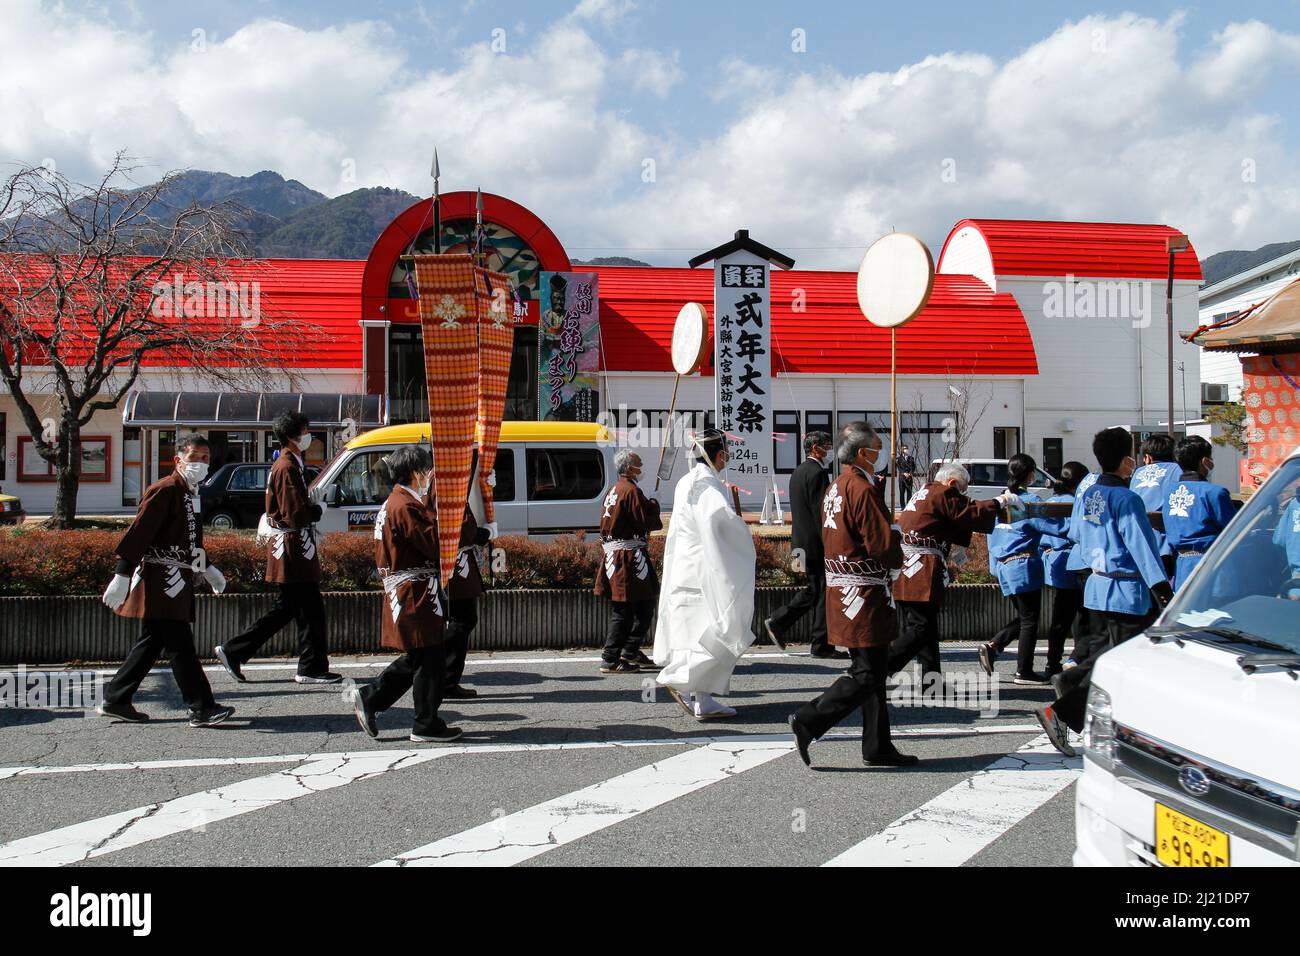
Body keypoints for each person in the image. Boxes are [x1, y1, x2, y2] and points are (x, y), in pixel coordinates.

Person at [1035, 427, 1172, 756]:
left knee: (1106, 651)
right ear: (1128, 459)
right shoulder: (1127, 498)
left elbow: (1078, 533)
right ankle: (1064, 711)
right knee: (1125, 657)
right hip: (1127, 588)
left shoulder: (1090, 492)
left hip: (1097, 585)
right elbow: (1141, 546)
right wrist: (1162, 590)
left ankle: (1074, 679)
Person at [789, 421, 915, 768]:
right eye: (877, 448)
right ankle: (810, 719)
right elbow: (881, 543)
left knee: (870, 668)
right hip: (864, 593)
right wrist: (897, 555)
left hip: (842, 590)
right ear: (863, 453)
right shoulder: (861, 488)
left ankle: (878, 746)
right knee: (869, 673)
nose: (881, 454)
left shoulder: (837, 485)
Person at [97, 434, 234, 728]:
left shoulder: (189, 493)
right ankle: (201, 707)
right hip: (161, 579)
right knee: (179, 643)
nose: (201, 463)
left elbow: (192, 542)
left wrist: (207, 569)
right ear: (178, 459)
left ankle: (116, 698)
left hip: (176, 578)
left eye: (206, 458)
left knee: (152, 642)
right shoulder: (165, 489)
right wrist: (122, 573)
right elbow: (139, 532)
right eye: (195, 457)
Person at [215, 410, 340, 685]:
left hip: (292, 547)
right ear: (293, 436)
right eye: (306, 431)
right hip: (293, 547)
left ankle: (306, 665)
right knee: (301, 610)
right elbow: (295, 514)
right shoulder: (287, 467)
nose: (309, 436)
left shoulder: (288, 463)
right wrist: (317, 508)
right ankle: (239, 651)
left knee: (299, 610)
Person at [352, 445, 461, 743]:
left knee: (421, 656)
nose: (430, 477)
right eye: (428, 472)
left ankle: (372, 699)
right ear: (416, 474)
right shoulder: (407, 505)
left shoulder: (396, 501)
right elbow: (433, 544)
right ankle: (424, 722)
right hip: (414, 590)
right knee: (429, 656)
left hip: (408, 587)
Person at [654, 429, 756, 720]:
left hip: (685, 569)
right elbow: (719, 526)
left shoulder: (688, 481)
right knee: (717, 630)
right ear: (719, 454)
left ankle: (702, 697)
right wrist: (742, 535)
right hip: (703, 571)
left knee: (692, 635)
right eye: (727, 453)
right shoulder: (708, 487)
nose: (728, 459)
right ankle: (683, 681)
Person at [888, 461, 1002, 684]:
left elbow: (956, 519)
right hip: (920, 568)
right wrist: (998, 502)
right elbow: (969, 513)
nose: (962, 495)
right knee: (921, 628)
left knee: (925, 628)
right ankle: (883, 666)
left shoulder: (924, 492)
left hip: (904, 566)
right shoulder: (942, 492)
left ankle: (931, 682)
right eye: (961, 490)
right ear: (951, 483)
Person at [764, 431, 844, 658]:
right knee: (822, 591)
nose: (829, 451)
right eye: (827, 446)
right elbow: (822, 513)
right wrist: (831, 543)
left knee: (814, 589)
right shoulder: (818, 473)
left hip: (799, 542)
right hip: (816, 544)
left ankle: (779, 621)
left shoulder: (798, 472)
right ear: (815, 448)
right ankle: (821, 644)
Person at [979, 453, 1052, 684]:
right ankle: (1024, 670)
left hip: (1003, 566)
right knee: (1030, 619)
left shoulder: (1000, 500)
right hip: (1024, 565)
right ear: (1031, 475)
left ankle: (995, 645)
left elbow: (990, 537)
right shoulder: (1028, 502)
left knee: (1024, 615)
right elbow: (1052, 527)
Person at [594, 449, 663, 674]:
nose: (642, 467)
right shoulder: (631, 490)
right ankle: (610, 657)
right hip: (627, 557)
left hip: (623, 554)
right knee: (624, 608)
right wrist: (653, 505)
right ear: (630, 468)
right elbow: (644, 521)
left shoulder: (615, 489)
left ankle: (631, 649)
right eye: (639, 464)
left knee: (645, 603)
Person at [1037, 461, 1090, 679]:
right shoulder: (1076, 502)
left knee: (1059, 617)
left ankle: (1052, 662)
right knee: (1081, 615)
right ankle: (1077, 657)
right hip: (1074, 560)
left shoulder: (1050, 501)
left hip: (1053, 562)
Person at [1163, 436, 1236, 591]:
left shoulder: (1169, 491)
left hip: (1182, 567)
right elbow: (1233, 530)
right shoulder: (1215, 492)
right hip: (1212, 567)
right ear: (1205, 461)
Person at [444, 503, 491, 697]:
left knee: (463, 619)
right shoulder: (444, 483)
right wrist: (476, 533)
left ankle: (447, 680)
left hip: (459, 559)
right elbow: (452, 525)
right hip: (455, 561)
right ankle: (446, 680)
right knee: (461, 620)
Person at [1129, 433, 1180, 577]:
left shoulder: (1138, 473)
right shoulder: (1177, 470)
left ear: (1148, 457)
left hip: (1141, 541)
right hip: (1167, 543)